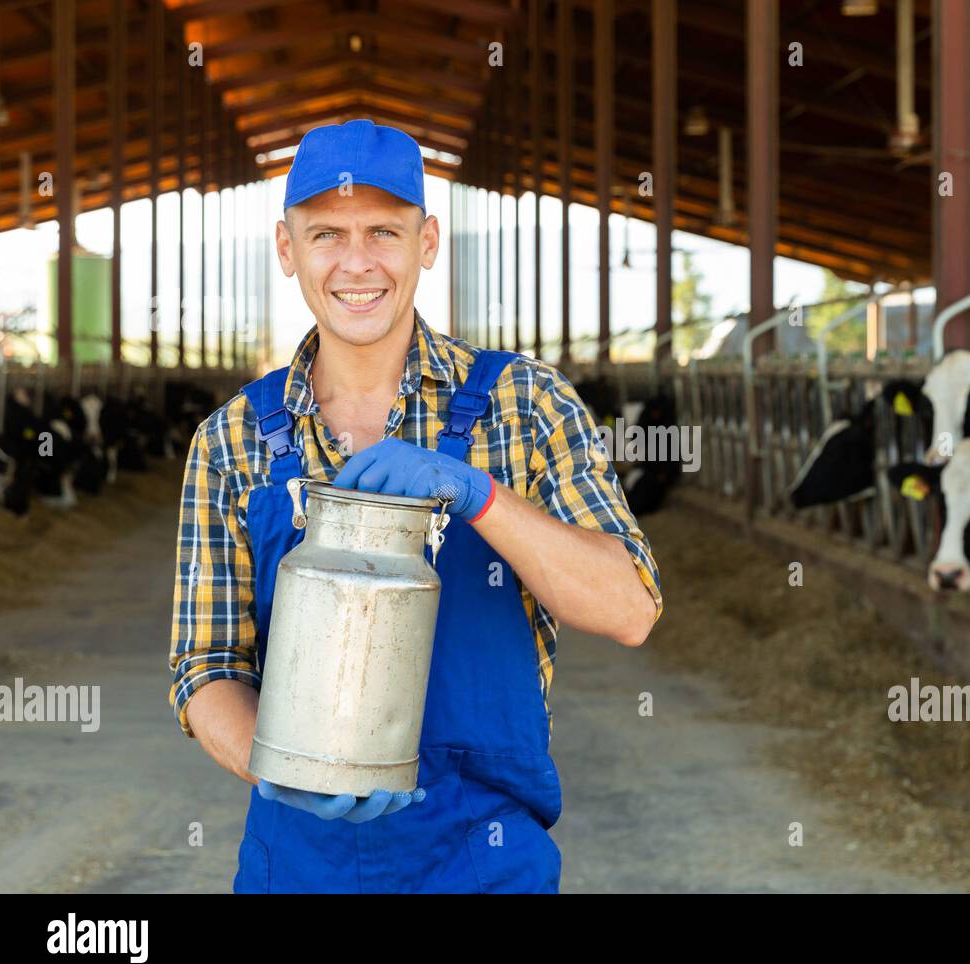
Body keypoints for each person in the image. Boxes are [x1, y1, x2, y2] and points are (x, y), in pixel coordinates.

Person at [167, 119, 662, 893]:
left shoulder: (525, 407)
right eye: (327, 233)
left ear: (427, 242)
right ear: (286, 248)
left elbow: (629, 605)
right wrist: (282, 767)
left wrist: (482, 495)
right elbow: (205, 668)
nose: (357, 262)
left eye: (384, 232)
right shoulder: (231, 441)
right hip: (297, 865)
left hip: (485, 862)